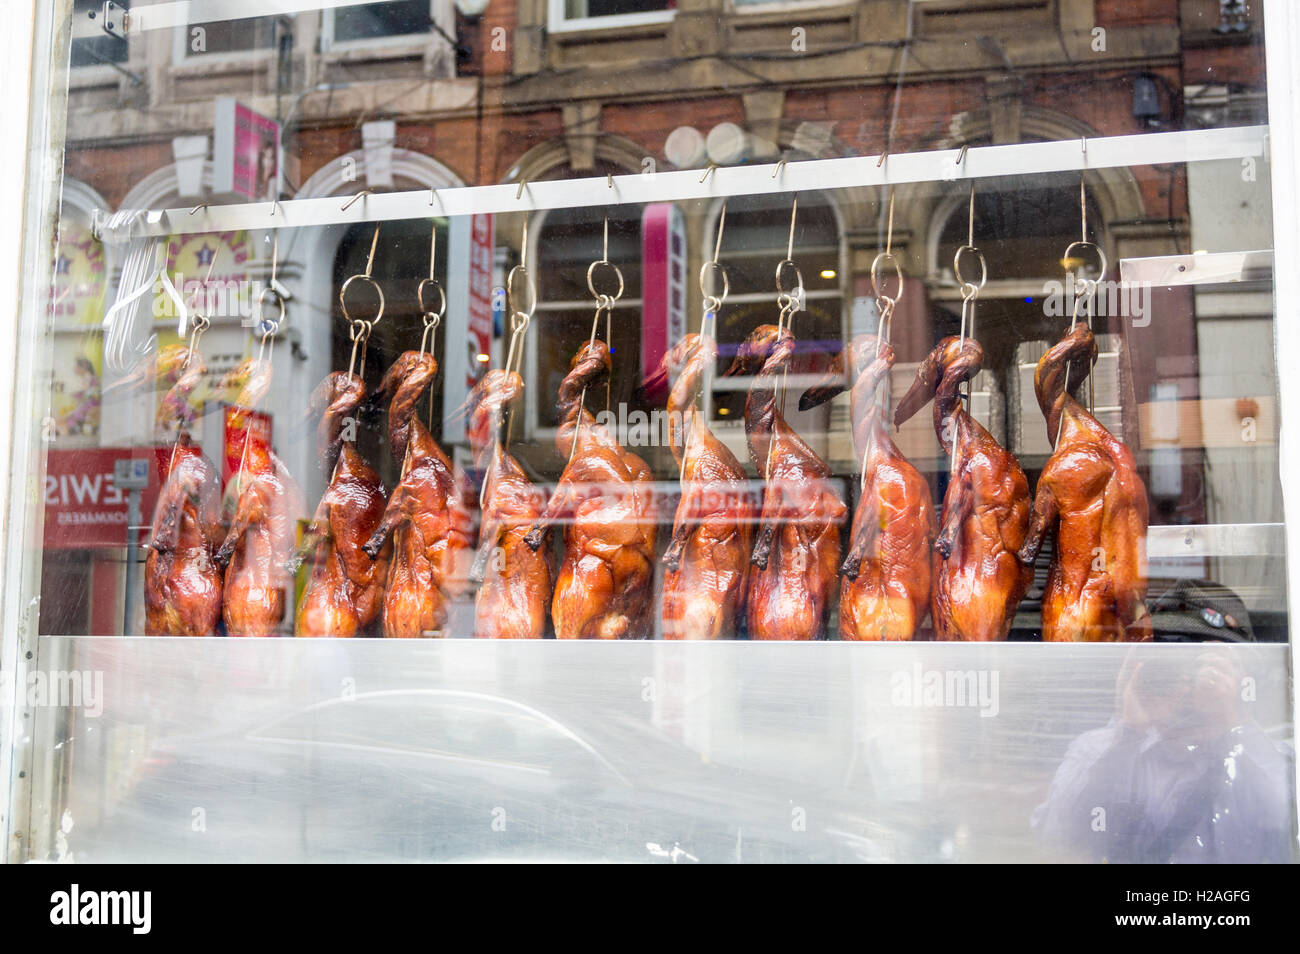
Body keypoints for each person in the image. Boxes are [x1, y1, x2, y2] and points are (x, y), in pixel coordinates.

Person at [1032, 647, 1294, 862]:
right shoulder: (1097, 748)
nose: (1186, 686)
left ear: (1239, 682)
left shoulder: (1268, 758)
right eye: (1168, 669)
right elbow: (1057, 840)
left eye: (1208, 672)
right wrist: (1128, 734)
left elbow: (1287, 835)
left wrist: (1234, 723)